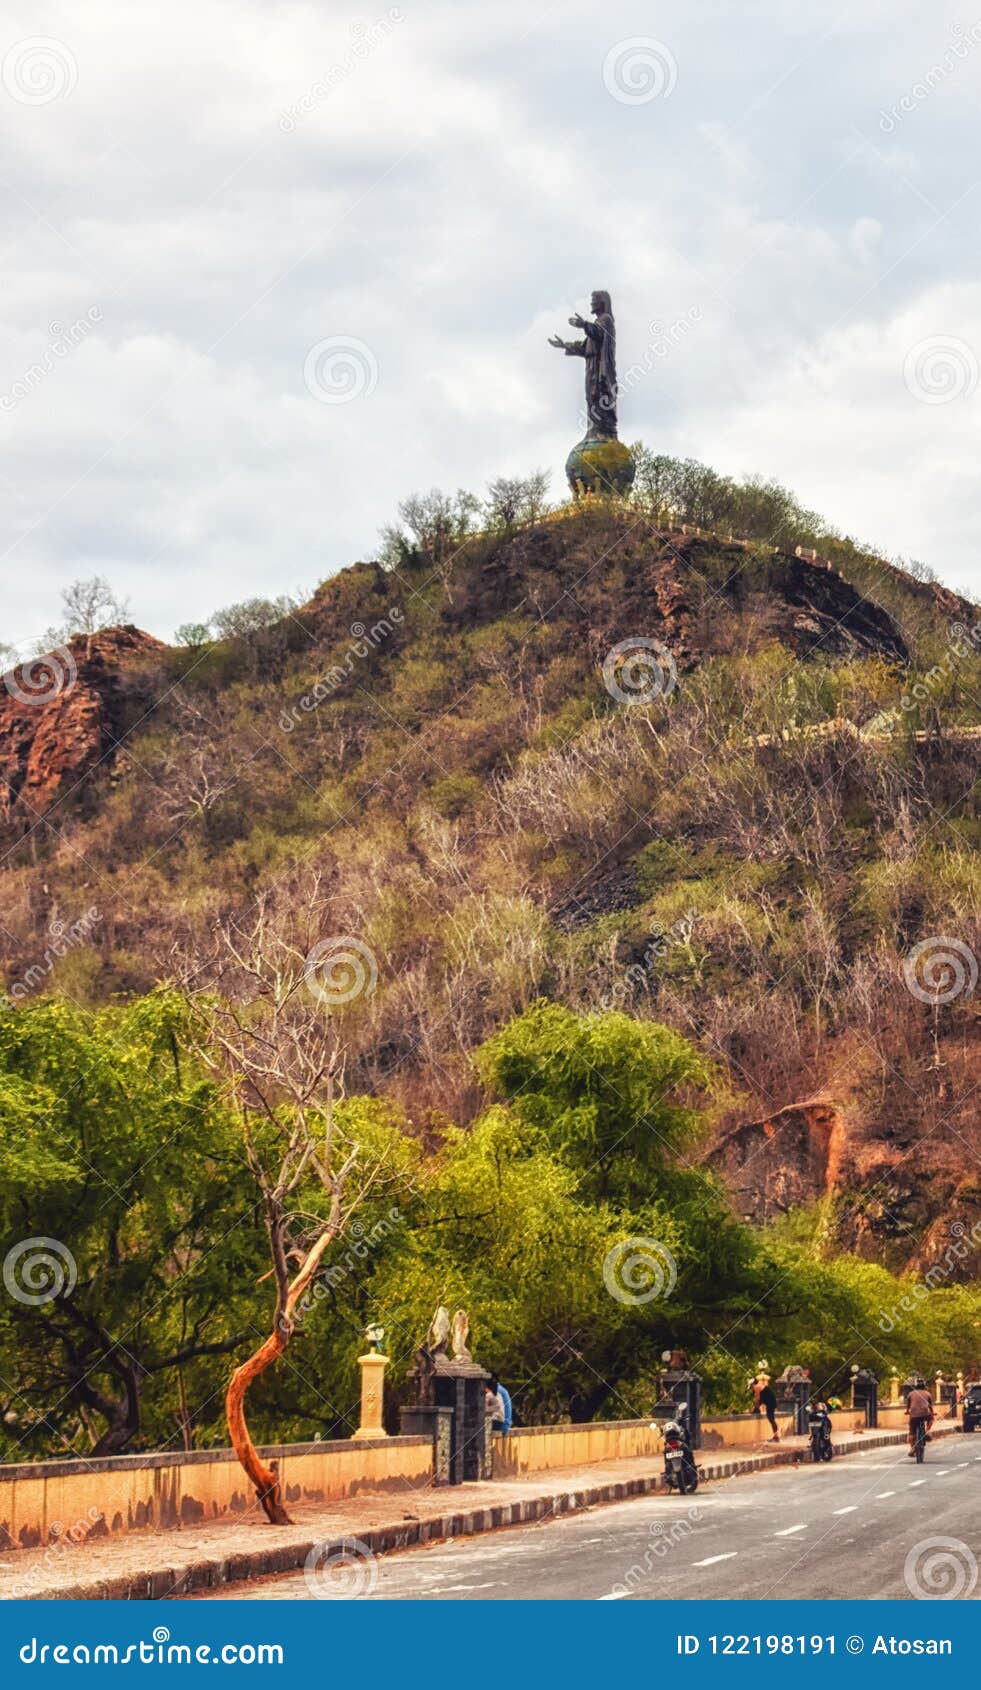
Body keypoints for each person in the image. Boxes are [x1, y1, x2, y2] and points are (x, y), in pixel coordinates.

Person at [906, 1377, 934, 1455]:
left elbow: (908, 1406)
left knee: (911, 1432)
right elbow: (930, 1406)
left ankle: (912, 1448)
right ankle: (927, 1431)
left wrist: (907, 1411)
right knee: (931, 1419)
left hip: (914, 1415)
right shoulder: (928, 1393)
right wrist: (932, 1413)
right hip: (925, 1414)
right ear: (924, 1386)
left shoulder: (911, 1394)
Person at [756, 1375, 780, 1442]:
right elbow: (761, 1400)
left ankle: (776, 1436)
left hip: (770, 1405)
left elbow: (758, 1400)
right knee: (772, 1419)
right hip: (771, 1404)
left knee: (771, 1419)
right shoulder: (763, 1388)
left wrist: (756, 1408)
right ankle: (776, 1436)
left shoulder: (757, 1387)